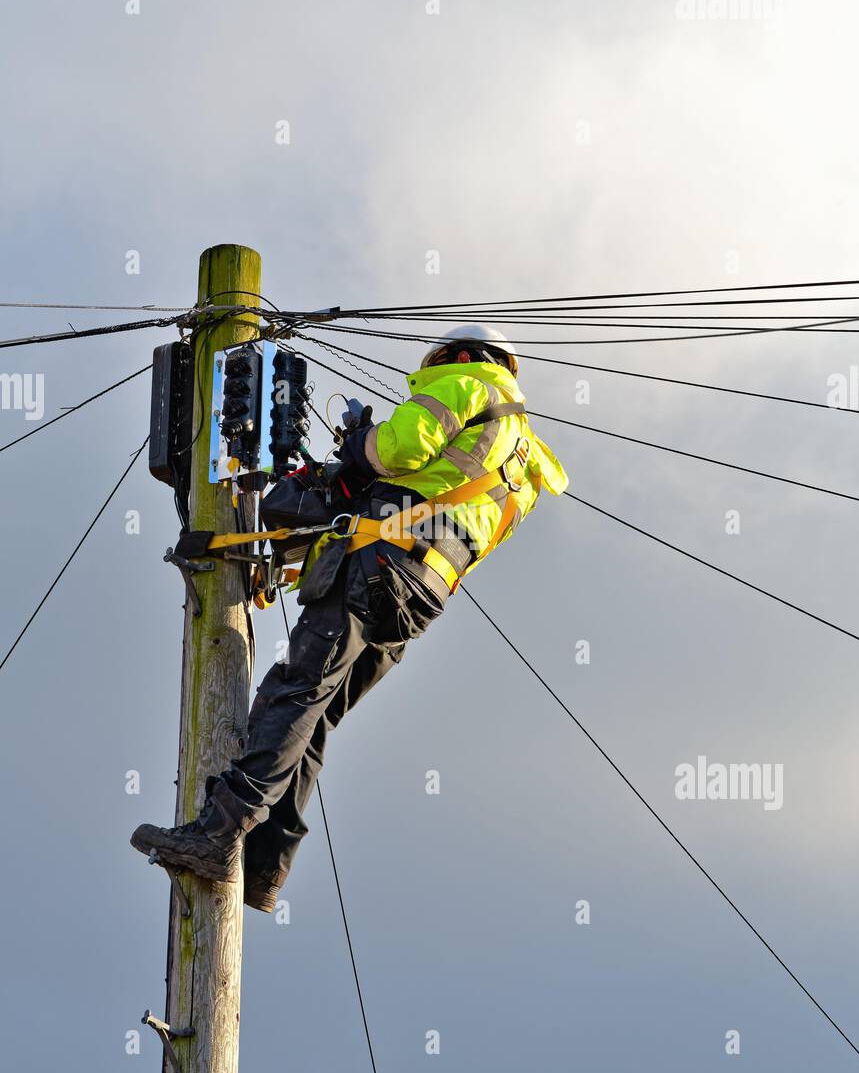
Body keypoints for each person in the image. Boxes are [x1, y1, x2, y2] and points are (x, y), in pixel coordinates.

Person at [131, 324, 568, 910]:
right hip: (424, 592)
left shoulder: (467, 382)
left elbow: (399, 450)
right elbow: (440, 495)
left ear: (463, 357)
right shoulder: (525, 461)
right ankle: (262, 869)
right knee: (317, 718)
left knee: (296, 692)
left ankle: (218, 834)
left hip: (379, 564)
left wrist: (360, 445)